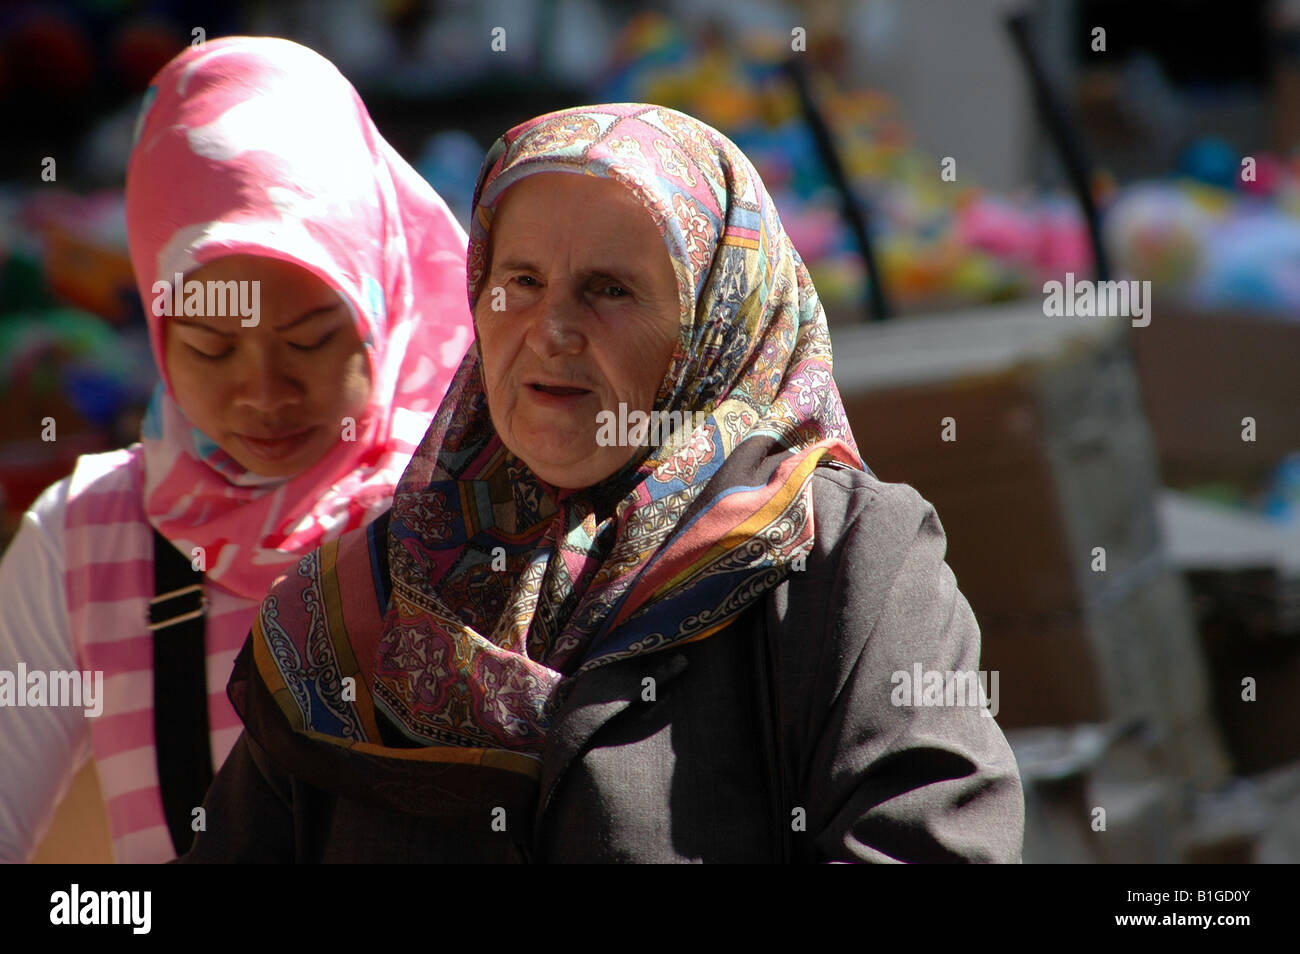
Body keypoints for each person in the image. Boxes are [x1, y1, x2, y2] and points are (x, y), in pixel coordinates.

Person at [180, 103, 1024, 863]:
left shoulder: (847, 565)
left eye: (610, 290)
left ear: (716, 322)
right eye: (520, 283)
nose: (550, 332)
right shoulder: (366, 592)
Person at [0, 36, 473, 863]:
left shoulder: (475, 512)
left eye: (312, 340)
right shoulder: (85, 540)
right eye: (213, 348)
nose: (262, 393)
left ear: (385, 301)